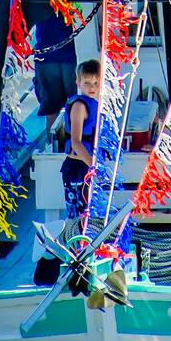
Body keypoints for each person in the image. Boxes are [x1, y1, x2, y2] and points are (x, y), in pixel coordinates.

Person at [61, 59, 100, 221]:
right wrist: (93, 165)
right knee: (79, 216)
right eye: (87, 83)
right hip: (77, 167)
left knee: (90, 214)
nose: (92, 88)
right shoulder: (79, 106)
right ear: (78, 82)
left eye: (96, 83)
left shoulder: (95, 103)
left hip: (87, 166)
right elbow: (76, 141)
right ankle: (76, 244)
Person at [33, 8, 78, 130]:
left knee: (77, 106)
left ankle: (57, 144)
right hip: (57, 55)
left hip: (67, 55)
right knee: (53, 108)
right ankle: (54, 144)